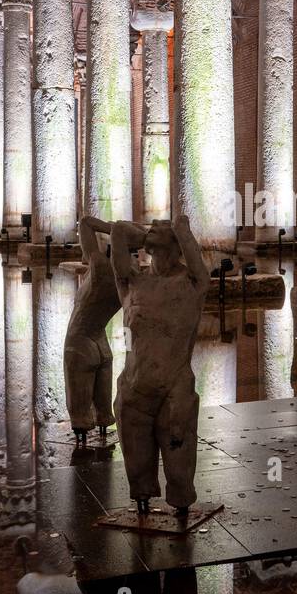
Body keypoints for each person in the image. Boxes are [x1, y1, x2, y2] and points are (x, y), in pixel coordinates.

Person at [110, 216, 209, 516]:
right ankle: (142, 502)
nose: (153, 223)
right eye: (151, 225)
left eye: (159, 226)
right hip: (134, 385)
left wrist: (181, 230)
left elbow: (199, 267)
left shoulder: (191, 283)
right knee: (137, 461)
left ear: (178, 244)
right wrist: (146, 235)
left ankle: (180, 504)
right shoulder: (132, 281)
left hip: (174, 385)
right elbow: (117, 232)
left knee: (179, 463)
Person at [63, 216, 121, 445]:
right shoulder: (128, 278)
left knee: (79, 405)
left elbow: (85, 222)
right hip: (101, 342)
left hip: (79, 342)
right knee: (103, 408)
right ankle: (105, 425)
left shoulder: (99, 268)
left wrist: (113, 227)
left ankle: (82, 432)